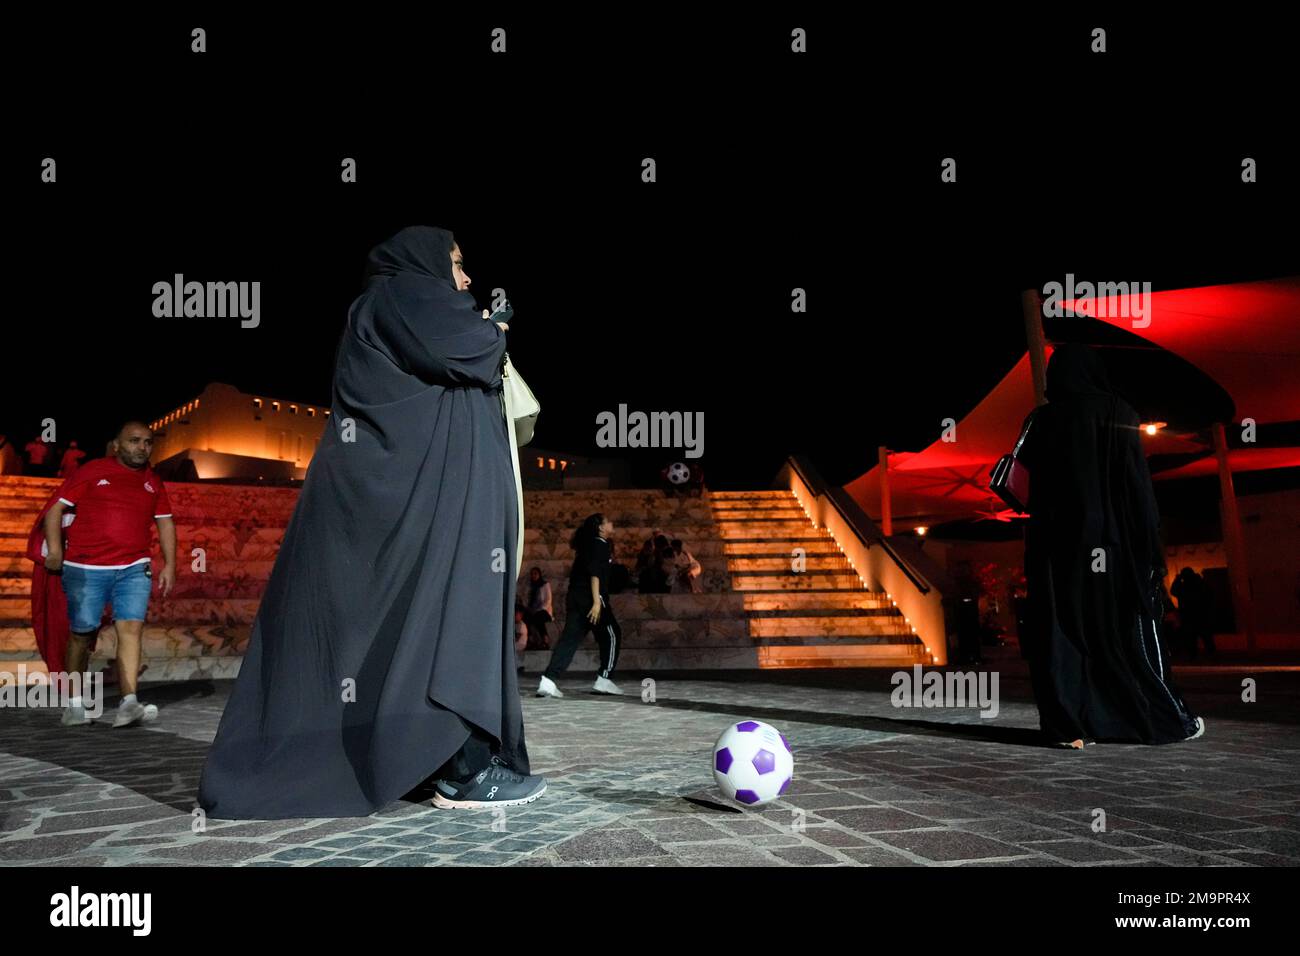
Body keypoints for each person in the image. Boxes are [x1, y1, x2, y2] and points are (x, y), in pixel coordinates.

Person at [197, 226, 545, 818]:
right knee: (444, 619)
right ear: (423, 262)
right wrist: (495, 327)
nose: (465, 279)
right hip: (424, 509)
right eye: (457, 265)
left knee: (422, 624)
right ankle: (461, 774)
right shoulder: (405, 294)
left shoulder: (390, 305)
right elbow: (471, 351)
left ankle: (418, 759)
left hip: (423, 503)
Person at [1019, 343, 1204, 747]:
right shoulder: (1118, 412)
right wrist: (1149, 547)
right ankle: (1144, 719)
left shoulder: (1042, 419)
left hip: (1055, 548)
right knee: (1118, 630)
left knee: (1061, 632)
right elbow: (1137, 487)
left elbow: (1026, 481)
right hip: (1110, 543)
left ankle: (1068, 728)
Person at [39, 421, 177, 727]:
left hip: (133, 567)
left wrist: (170, 564)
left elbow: (165, 522)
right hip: (86, 568)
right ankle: (75, 704)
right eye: (134, 441)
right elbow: (54, 510)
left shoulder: (153, 481)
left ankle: (129, 703)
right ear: (117, 445)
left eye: (148, 442)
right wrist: (55, 551)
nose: (143, 447)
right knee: (81, 634)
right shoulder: (92, 470)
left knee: (131, 628)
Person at [537, 513, 624, 698]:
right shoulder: (600, 544)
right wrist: (596, 602)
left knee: (570, 639)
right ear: (600, 527)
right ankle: (604, 679)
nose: (612, 522)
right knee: (612, 633)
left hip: (575, 597)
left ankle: (548, 680)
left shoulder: (587, 545)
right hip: (591, 598)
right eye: (608, 521)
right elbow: (595, 574)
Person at [1171, 567, 1216, 658]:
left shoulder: (1183, 586)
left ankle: (1193, 656)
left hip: (1189, 616)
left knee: (1191, 638)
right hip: (1201, 614)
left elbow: (1173, 591)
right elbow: (1210, 595)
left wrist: (1177, 579)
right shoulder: (1200, 583)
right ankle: (1211, 655)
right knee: (1206, 637)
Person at [523, 567, 553, 649]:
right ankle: (530, 639)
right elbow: (527, 599)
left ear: (539, 575)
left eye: (535, 574)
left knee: (539, 617)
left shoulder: (545, 585)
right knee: (526, 616)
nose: (534, 576)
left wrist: (538, 609)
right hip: (532, 610)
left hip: (544, 611)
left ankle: (545, 639)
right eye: (532, 574)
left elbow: (548, 600)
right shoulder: (530, 587)